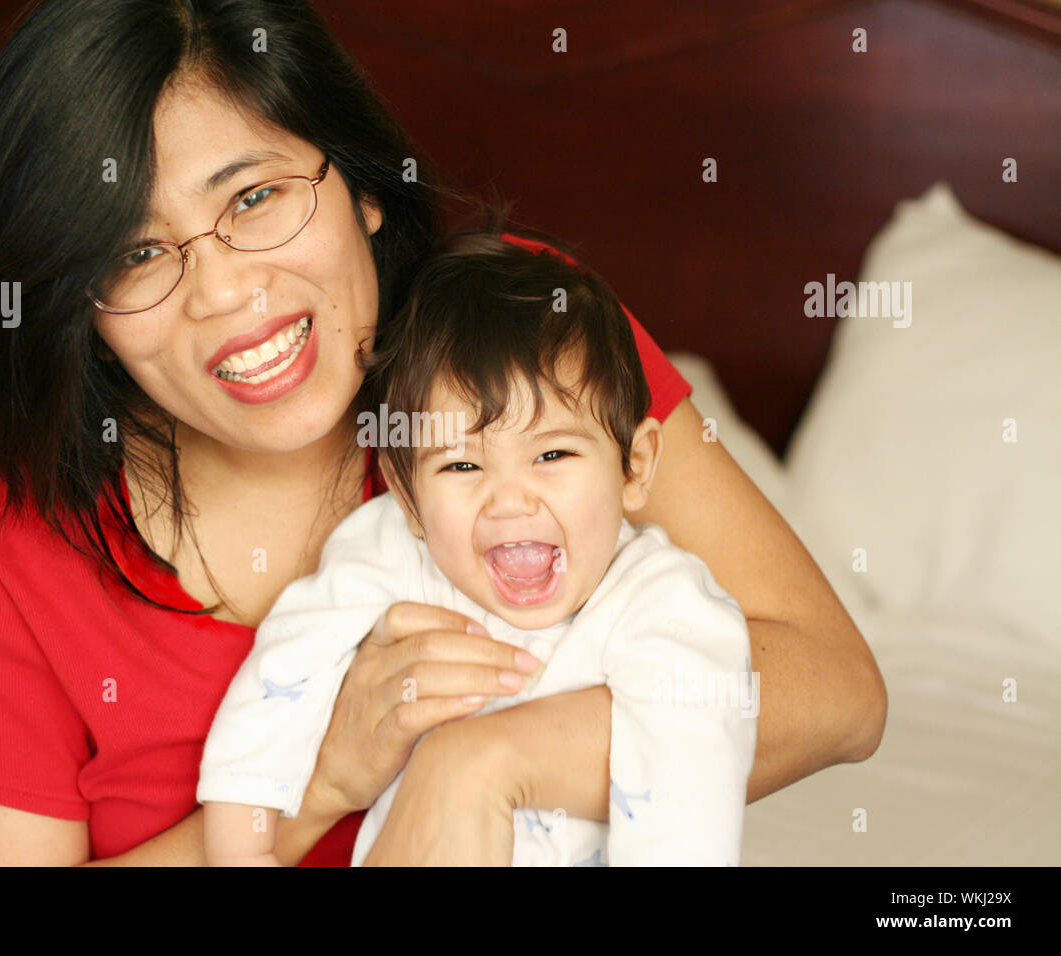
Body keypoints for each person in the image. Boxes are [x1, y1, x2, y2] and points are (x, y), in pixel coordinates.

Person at [0, 0, 885, 866]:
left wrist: (486, 762)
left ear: (363, 185)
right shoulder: (15, 535)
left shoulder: (520, 335)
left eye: (255, 197)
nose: (226, 292)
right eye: (136, 254)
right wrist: (319, 784)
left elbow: (837, 688)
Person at [199, 234, 758, 866]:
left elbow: (687, 788)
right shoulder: (395, 555)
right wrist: (243, 852)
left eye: (553, 454)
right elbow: (283, 674)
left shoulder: (667, 607)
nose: (509, 501)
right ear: (407, 496)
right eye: (462, 465)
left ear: (634, 465)